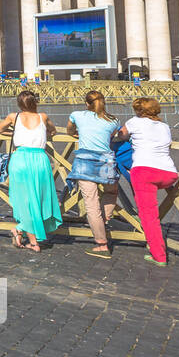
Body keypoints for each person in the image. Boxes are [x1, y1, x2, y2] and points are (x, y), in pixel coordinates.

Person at [0, 90, 62, 251]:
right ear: (35, 103)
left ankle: (29, 238)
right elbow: (53, 131)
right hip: (40, 160)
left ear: (19, 104)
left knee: (24, 200)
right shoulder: (43, 117)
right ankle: (26, 234)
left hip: (21, 159)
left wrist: (15, 132)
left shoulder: (14, 117)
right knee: (39, 198)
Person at [118, 97, 178, 267]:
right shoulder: (164, 126)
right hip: (169, 174)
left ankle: (159, 255)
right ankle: (155, 246)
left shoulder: (135, 122)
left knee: (149, 216)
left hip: (144, 172)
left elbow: (120, 136)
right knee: (151, 212)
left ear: (139, 111)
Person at [66, 90, 119, 259]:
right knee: (111, 192)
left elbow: (69, 131)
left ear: (87, 104)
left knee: (91, 203)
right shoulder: (114, 120)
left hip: (85, 162)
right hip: (106, 161)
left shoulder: (77, 115)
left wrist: (79, 133)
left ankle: (101, 243)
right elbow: (110, 137)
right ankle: (104, 219)